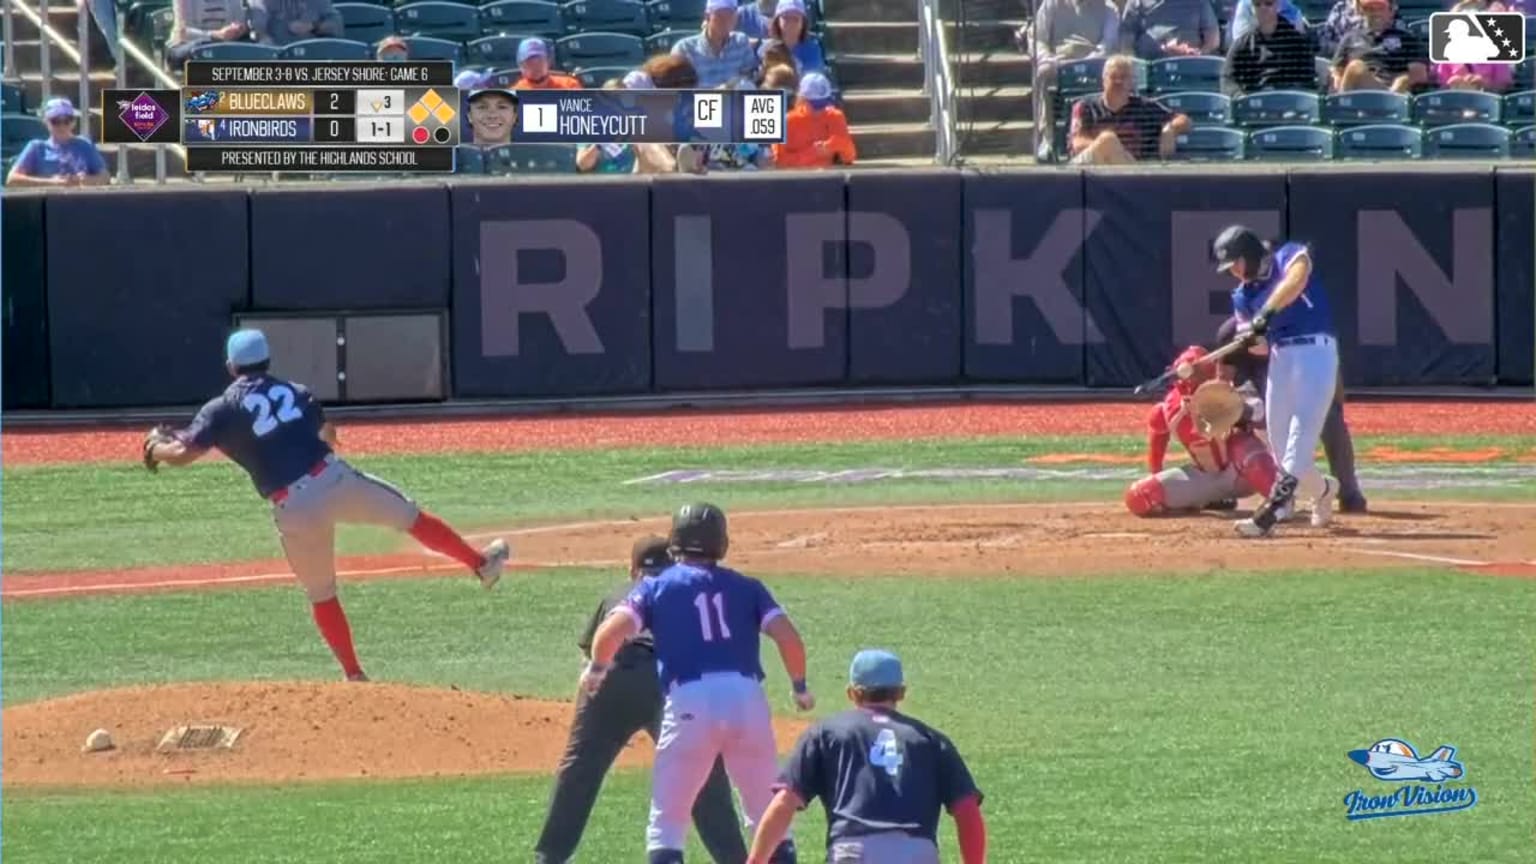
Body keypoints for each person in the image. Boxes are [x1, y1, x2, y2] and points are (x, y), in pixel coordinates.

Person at [141, 329, 510, 681]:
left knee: (321, 592)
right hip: (332, 479)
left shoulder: (220, 408)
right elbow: (327, 434)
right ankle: (480, 564)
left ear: (230, 367)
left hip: (293, 506)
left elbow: (181, 453)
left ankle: (354, 673)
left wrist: (153, 446)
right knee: (410, 517)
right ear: (267, 360)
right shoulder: (296, 391)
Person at [582, 503, 814, 864]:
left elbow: (610, 632)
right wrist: (799, 686)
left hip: (689, 701)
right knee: (767, 814)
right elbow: (789, 638)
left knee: (668, 822)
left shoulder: (656, 587)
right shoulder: (747, 587)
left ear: (674, 542)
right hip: (746, 699)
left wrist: (596, 670)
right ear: (722, 543)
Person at [534, 535, 750, 864]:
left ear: (632, 569)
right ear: (674, 565)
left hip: (612, 677)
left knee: (578, 769)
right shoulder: (685, 590)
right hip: (668, 681)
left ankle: (549, 858)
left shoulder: (616, 593)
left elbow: (590, 650)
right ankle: (735, 859)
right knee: (701, 772)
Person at [746, 650, 987, 864]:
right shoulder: (931, 740)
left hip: (854, 852)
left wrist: (756, 860)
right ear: (901, 693)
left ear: (851, 692)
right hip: (917, 853)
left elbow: (785, 802)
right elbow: (967, 810)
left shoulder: (825, 732)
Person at [1213, 226, 1341, 538]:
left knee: (1302, 431)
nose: (1234, 273)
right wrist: (1250, 337)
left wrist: (1266, 313)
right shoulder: (1242, 295)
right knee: (1282, 446)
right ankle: (1324, 489)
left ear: (1249, 255)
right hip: (1282, 359)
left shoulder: (1288, 256)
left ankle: (1274, 509)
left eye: (1235, 264)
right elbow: (1260, 345)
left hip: (1316, 352)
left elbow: (1295, 282)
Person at [1215, 315, 1367, 513]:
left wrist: (1334, 403)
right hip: (1258, 394)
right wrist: (1228, 411)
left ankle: (1347, 490)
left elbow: (1328, 365)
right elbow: (1222, 383)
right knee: (1244, 414)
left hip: (1305, 378)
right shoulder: (1231, 332)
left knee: (1331, 420)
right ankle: (1277, 493)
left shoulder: (1302, 323)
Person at [1123, 345, 1279, 517]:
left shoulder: (1231, 390)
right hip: (1206, 476)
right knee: (1139, 496)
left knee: (1246, 449)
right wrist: (1158, 479)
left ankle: (1280, 503)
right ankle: (1207, 500)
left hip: (1241, 474)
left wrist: (1240, 410)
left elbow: (1263, 417)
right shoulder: (1168, 410)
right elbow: (1157, 451)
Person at [1068, 54, 1191, 164]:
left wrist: (1170, 128)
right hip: (1088, 170)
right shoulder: (1085, 107)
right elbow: (1077, 144)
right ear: (1104, 80)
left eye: (1124, 77)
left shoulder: (1144, 107)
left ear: (1132, 82)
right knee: (1108, 139)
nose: (1119, 82)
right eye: (1114, 76)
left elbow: (1184, 121)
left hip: (1133, 171)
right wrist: (1110, 149)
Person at [7, 98, 109, 188]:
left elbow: (104, 177)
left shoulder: (85, 144)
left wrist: (84, 180)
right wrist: (53, 182)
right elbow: (12, 179)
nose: (62, 126)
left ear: (73, 122)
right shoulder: (36, 147)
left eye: (67, 121)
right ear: (45, 121)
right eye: (55, 121)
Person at [1329, 0, 1428, 93]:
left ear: (1391, 12)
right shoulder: (1350, 38)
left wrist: (1402, 81)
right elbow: (1336, 72)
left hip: (1395, 90)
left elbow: (1419, 73)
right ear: (1362, 12)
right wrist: (1337, 81)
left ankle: (1386, 98)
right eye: (1370, 9)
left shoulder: (1406, 38)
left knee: (1402, 80)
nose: (1375, 13)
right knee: (1355, 67)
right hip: (1358, 93)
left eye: (1380, 8)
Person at [1222, 0, 1317, 96]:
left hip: (1288, 103)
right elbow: (1228, 78)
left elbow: (1306, 83)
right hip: (1252, 104)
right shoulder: (1242, 45)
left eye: (1268, 3)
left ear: (1278, 6)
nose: (1263, 9)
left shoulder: (1298, 44)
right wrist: (1239, 96)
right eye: (1257, 5)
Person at [773, 71, 855, 168]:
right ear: (802, 99)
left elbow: (849, 157)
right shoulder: (787, 121)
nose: (820, 109)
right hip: (795, 178)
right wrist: (813, 153)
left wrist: (838, 145)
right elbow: (779, 162)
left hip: (827, 176)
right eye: (815, 104)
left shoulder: (836, 116)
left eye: (823, 103)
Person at [673, 0, 761, 88]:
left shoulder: (741, 42)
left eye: (730, 16)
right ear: (707, 17)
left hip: (734, 100)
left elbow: (749, 77)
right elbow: (679, 90)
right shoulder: (685, 48)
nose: (726, 21)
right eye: (720, 16)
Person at [166, 0, 250, 65]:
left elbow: (240, 22)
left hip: (225, 46)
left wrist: (238, 29)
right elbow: (182, 33)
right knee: (200, 48)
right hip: (187, 46)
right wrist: (216, 35)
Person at [764, 0, 826, 76]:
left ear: (803, 23)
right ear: (777, 21)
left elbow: (811, 77)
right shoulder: (767, 48)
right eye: (785, 18)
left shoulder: (812, 49)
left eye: (795, 19)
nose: (790, 23)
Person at [248, 0, 343, 46]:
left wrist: (313, 26)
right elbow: (258, 29)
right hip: (277, 59)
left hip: (312, 57)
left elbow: (336, 25)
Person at [514, 37, 582, 90]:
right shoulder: (514, 94)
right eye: (530, 63)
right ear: (521, 66)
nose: (535, 67)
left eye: (540, 61)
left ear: (548, 62)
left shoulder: (570, 86)